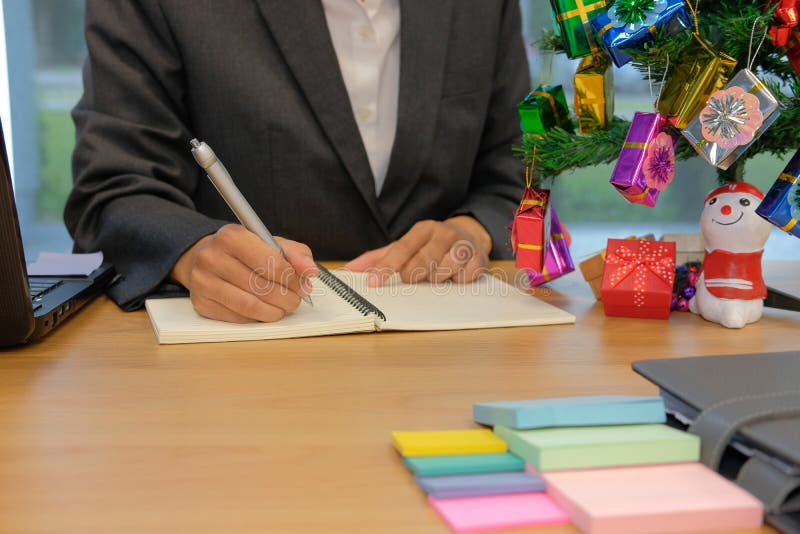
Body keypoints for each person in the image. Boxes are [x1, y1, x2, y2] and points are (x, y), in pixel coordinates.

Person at [65, 0, 530, 323]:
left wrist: (474, 229)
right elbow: (112, 189)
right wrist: (192, 251)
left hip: (451, 351)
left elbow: (516, 171)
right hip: (242, 364)